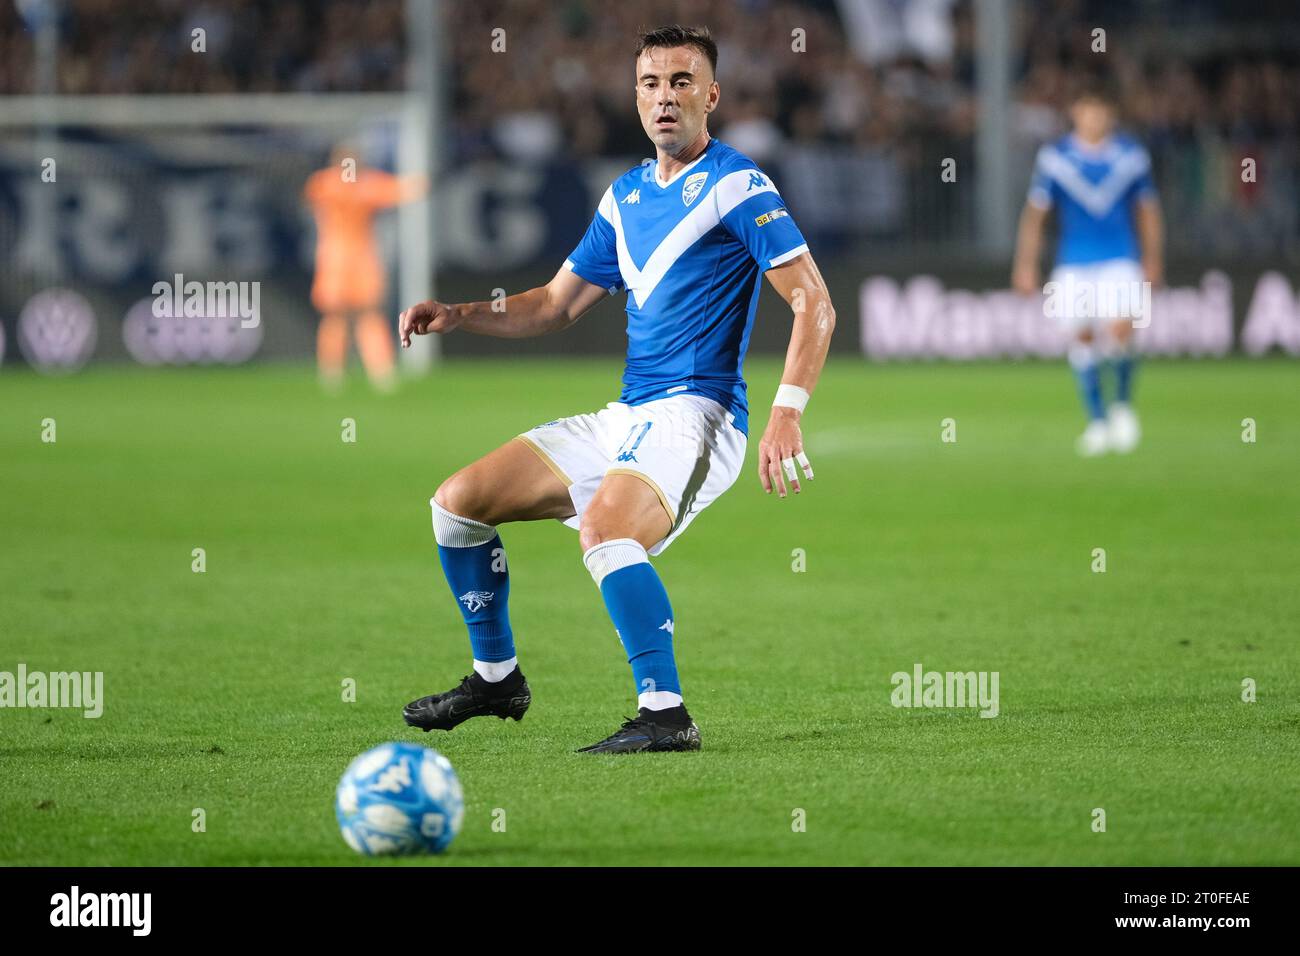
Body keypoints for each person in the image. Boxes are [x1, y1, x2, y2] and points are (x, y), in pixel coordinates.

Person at [396, 25, 836, 753]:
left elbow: (813, 301)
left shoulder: (737, 183)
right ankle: (496, 677)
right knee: (458, 504)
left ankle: (666, 714)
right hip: (629, 414)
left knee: (606, 529)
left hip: (698, 414)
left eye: (682, 83)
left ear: (712, 96)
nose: (665, 98)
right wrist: (461, 313)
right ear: (636, 98)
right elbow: (553, 305)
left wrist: (788, 412)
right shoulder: (625, 194)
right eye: (651, 84)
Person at [1012, 84, 1164, 455]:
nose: (1094, 117)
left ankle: (1123, 407)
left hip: (1119, 256)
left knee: (1119, 331)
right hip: (1074, 260)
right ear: (1076, 112)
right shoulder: (1056, 158)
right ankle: (1097, 421)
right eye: (1087, 109)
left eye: (1101, 110)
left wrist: (1153, 257)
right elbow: (1036, 216)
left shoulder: (1130, 156)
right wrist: (1026, 264)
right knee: (1081, 337)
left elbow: (1147, 211)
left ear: (1110, 114)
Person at [303, 144, 424, 391]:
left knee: (349, 317)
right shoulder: (359, 185)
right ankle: (372, 372)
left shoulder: (322, 183)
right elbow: (401, 190)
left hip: (337, 258)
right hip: (354, 258)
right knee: (358, 316)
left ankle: (340, 374)